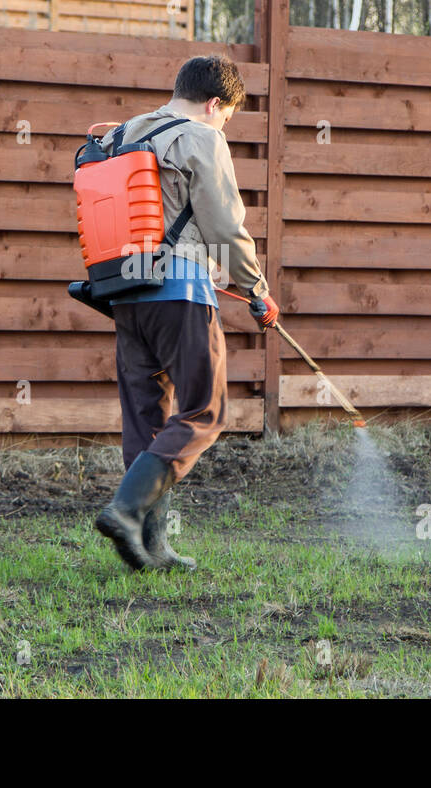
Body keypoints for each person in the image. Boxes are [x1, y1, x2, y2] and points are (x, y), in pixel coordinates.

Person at [93, 55, 279, 572]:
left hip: (125, 292)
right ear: (215, 104)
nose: (224, 127)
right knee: (206, 409)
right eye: (227, 117)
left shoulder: (123, 134)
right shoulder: (201, 136)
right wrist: (257, 290)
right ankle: (127, 511)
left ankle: (152, 547)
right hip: (178, 293)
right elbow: (225, 227)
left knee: (146, 418)